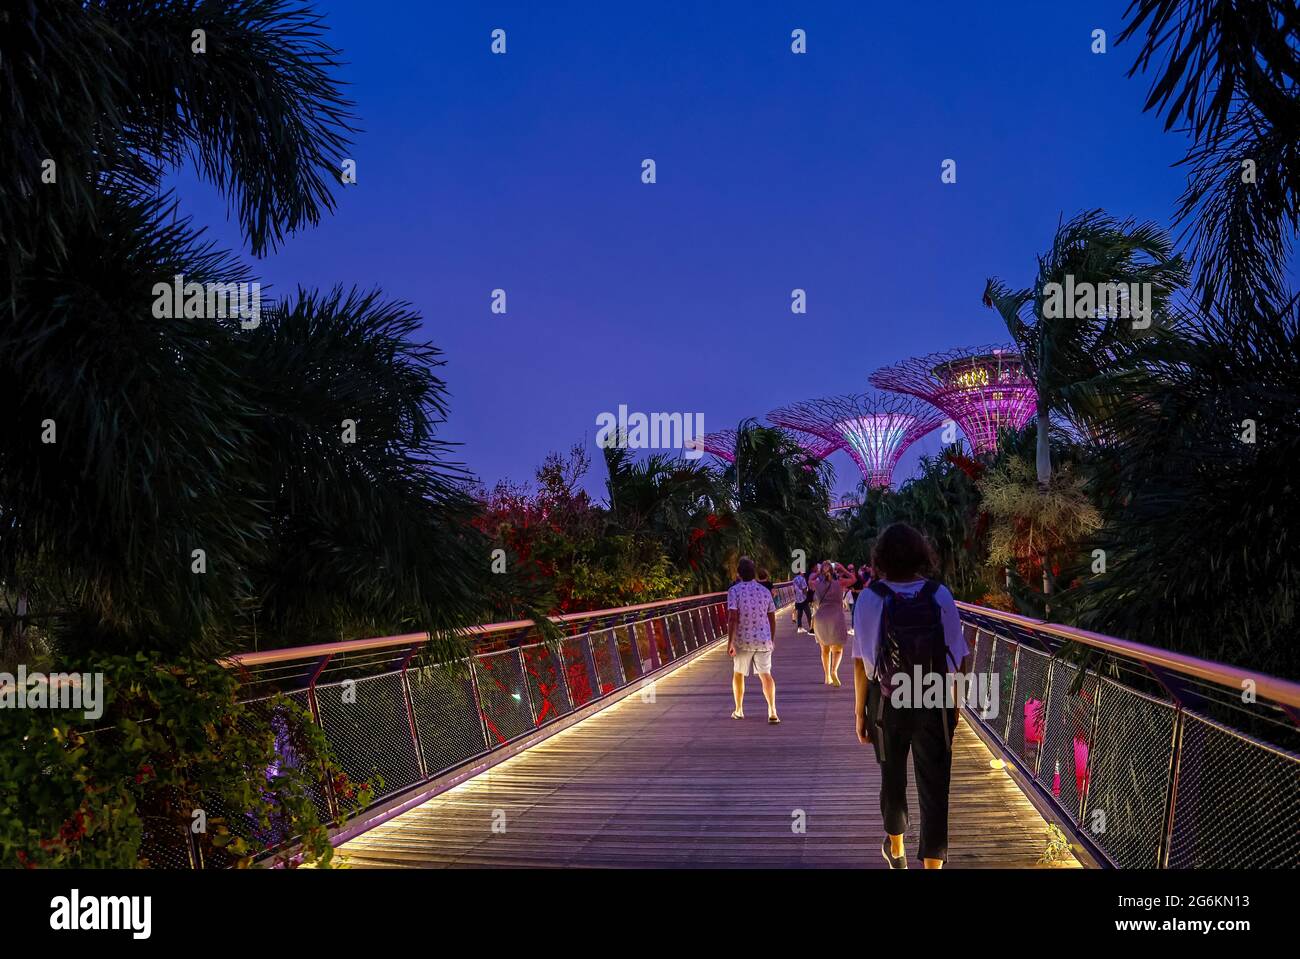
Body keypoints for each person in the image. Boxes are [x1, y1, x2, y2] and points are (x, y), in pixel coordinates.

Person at [852, 523, 971, 870]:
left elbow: (861, 663)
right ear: (922, 553)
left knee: (892, 778)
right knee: (935, 787)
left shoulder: (869, 598)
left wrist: (859, 712)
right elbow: (960, 656)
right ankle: (933, 866)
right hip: (934, 697)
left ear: (881, 558)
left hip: (886, 700)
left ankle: (898, 850)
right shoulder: (939, 594)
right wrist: (956, 705)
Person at [726, 556, 780, 724]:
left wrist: (730, 642)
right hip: (763, 640)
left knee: (738, 674)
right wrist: (771, 639)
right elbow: (772, 617)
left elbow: (733, 618)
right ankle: (772, 710)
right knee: (766, 675)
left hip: (743, 641)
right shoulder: (764, 591)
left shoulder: (734, 591)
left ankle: (739, 709)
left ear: (739, 574)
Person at [811, 560, 854, 686]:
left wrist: (817, 572)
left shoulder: (817, 583)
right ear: (834, 570)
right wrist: (843, 569)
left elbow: (809, 582)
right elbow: (853, 579)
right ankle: (834, 670)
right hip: (836, 617)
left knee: (824, 650)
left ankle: (827, 676)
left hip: (821, 618)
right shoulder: (840, 583)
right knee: (838, 649)